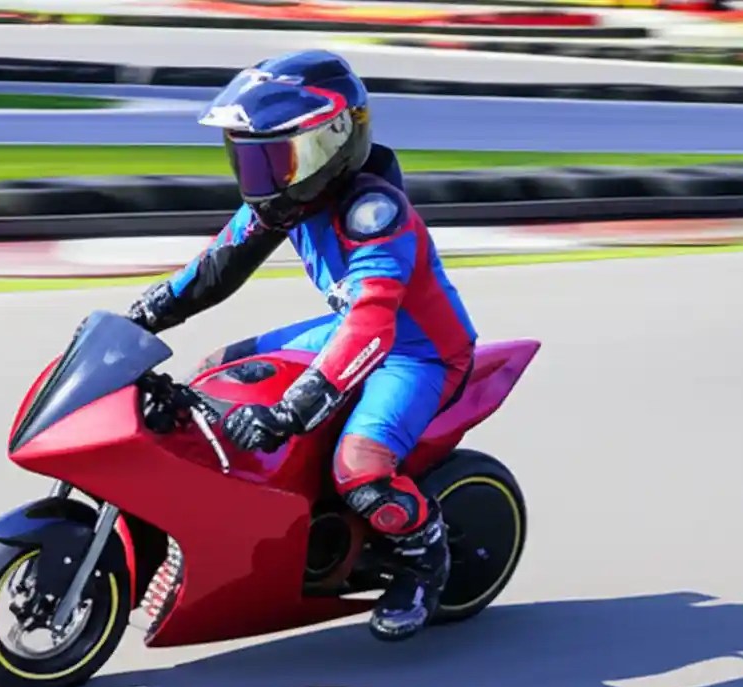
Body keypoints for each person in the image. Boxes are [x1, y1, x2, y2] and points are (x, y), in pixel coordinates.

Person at [123, 49, 478, 642]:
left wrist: (293, 411)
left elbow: (372, 324)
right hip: (352, 334)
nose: (260, 175)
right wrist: (144, 315)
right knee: (219, 369)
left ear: (333, 141)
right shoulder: (287, 200)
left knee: (358, 470)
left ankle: (424, 556)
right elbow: (214, 270)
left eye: (276, 156)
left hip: (419, 353)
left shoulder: (375, 214)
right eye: (251, 158)